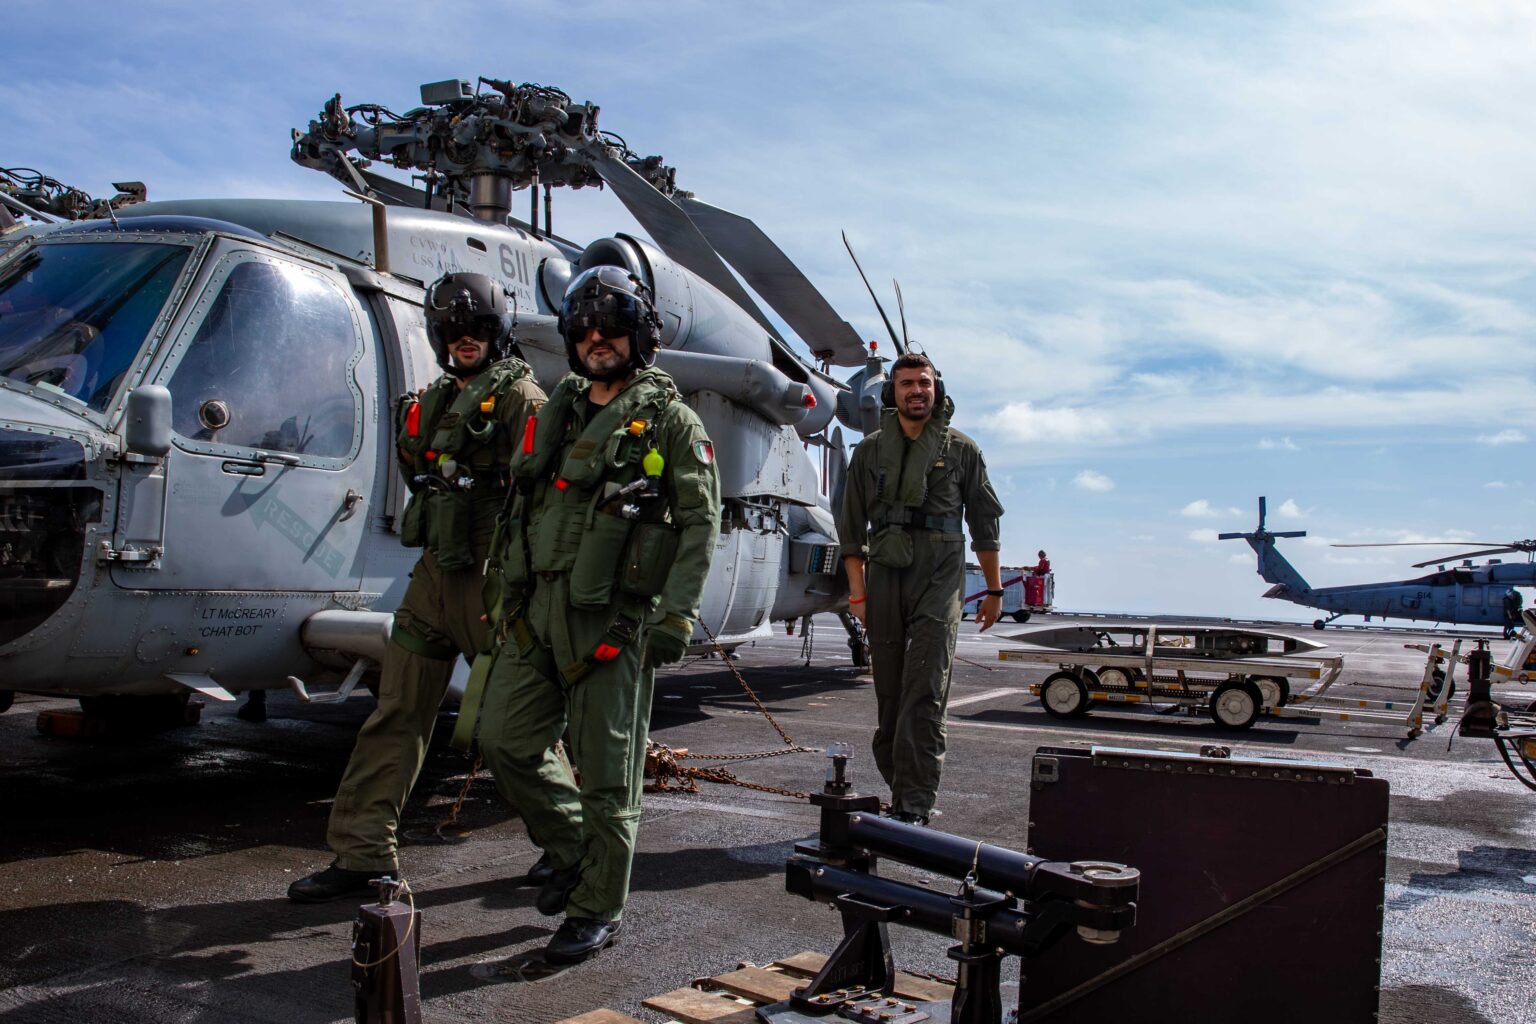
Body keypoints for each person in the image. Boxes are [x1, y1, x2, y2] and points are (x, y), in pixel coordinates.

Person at [475, 265, 721, 964]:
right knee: (503, 742)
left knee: (609, 775)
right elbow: (521, 509)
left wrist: (677, 617)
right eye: (584, 329)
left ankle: (596, 907)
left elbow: (701, 524)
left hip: (610, 619)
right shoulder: (555, 416)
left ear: (639, 336)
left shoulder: (672, 421)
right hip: (535, 611)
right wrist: (504, 594)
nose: (596, 339)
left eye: (612, 327)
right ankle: (574, 850)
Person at [288, 272, 547, 902]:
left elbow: (545, 492)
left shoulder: (522, 398)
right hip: (434, 573)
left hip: (493, 577)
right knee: (397, 711)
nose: (465, 338)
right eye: (453, 329)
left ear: (498, 332)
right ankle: (363, 853)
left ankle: (569, 846)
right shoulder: (431, 401)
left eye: (478, 328)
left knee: (513, 725)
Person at [839, 352, 1004, 826]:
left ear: (937, 388)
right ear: (892, 392)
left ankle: (914, 805)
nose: (917, 391)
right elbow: (851, 527)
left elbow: (985, 525)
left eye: (924, 383)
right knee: (890, 696)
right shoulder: (869, 451)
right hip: (885, 573)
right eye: (907, 383)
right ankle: (902, 790)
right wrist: (858, 594)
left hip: (939, 574)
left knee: (925, 689)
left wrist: (994, 592)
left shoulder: (962, 450)